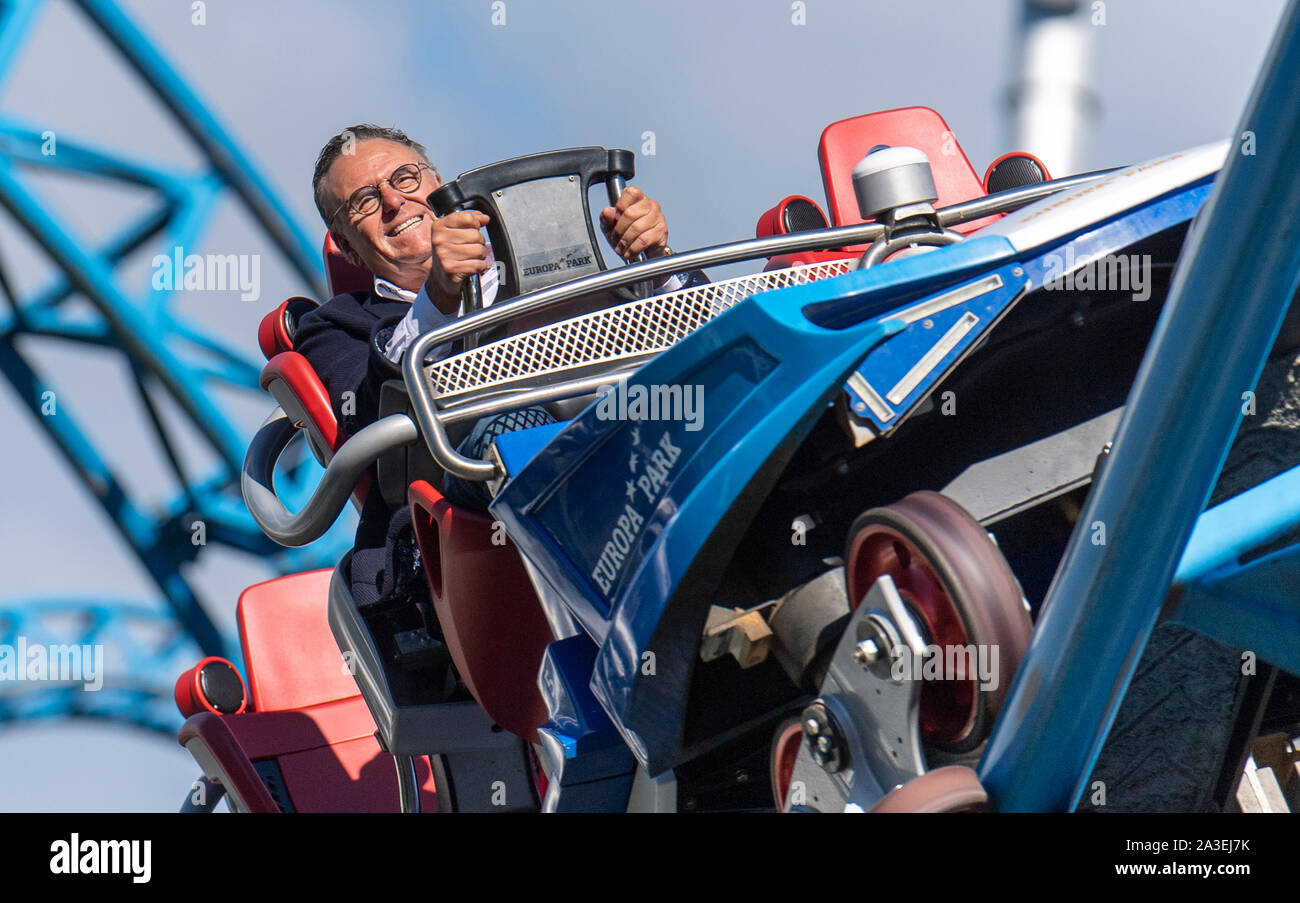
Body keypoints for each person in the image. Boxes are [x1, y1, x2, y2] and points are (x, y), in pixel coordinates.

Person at [294, 124, 699, 609]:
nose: (393, 201)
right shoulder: (335, 327)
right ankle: (647, 591)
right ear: (344, 243)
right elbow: (368, 415)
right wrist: (438, 298)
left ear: (436, 183)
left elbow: (691, 335)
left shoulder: (559, 264)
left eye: (404, 178)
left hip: (630, 416)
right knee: (516, 433)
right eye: (362, 200)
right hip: (470, 477)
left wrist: (657, 259)